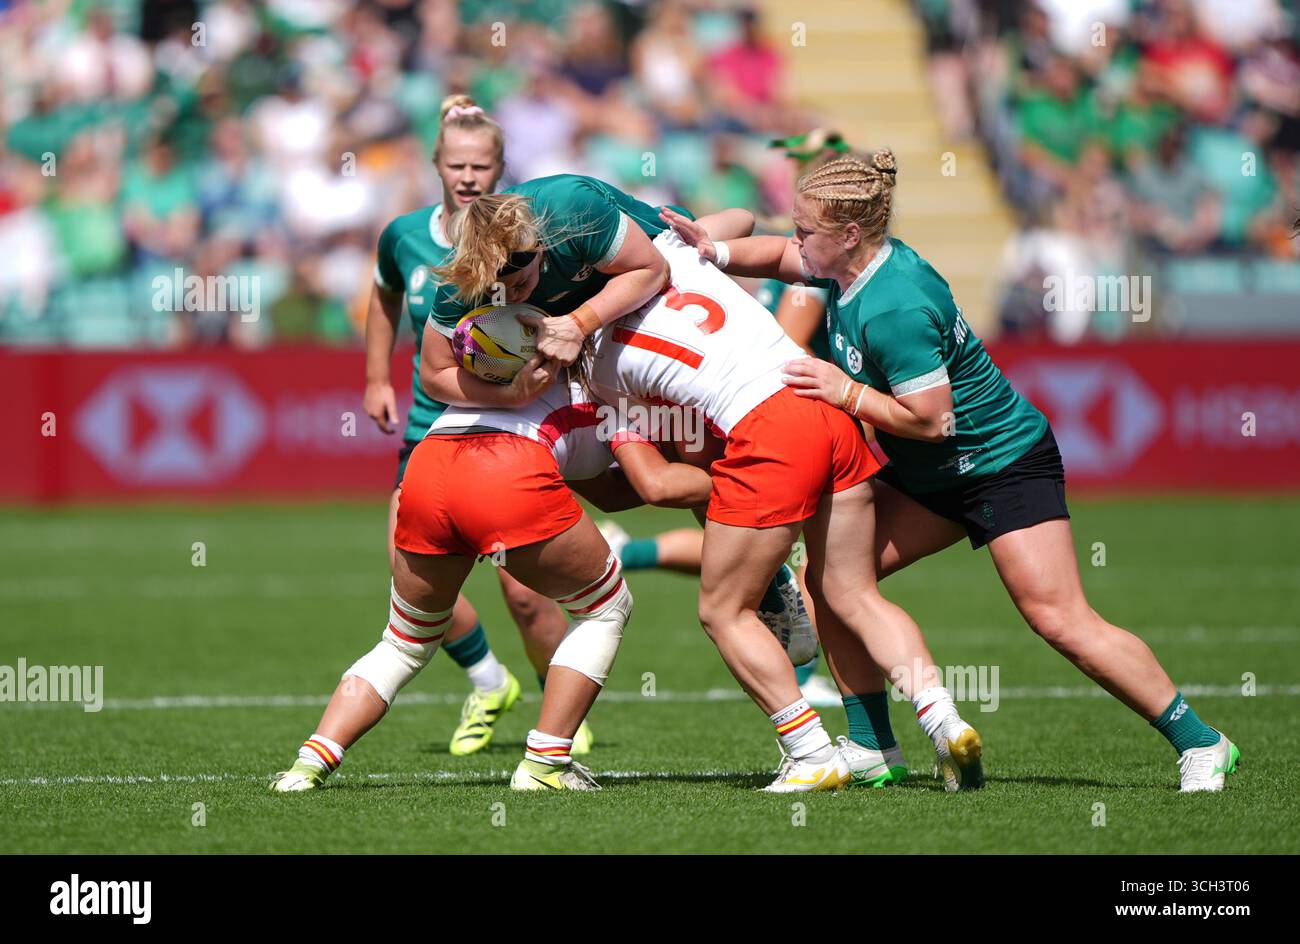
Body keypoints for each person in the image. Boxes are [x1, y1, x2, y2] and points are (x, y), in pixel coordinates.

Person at [672, 151, 1240, 792]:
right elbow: (778, 256)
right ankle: (871, 746)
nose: (795, 240)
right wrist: (712, 253)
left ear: (850, 235)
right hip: (928, 472)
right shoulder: (850, 264)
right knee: (829, 582)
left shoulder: (894, 309)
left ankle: (1201, 741)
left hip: (1000, 464)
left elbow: (932, 420)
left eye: (806, 230)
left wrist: (841, 390)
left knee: (1058, 619)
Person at [431, 182, 985, 792]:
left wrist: (563, 450)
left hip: (771, 435)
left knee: (723, 611)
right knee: (853, 595)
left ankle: (809, 753)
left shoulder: (594, 368)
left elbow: (650, 483)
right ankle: (941, 722)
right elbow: (740, 219)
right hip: (826, 405)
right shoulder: (680, 250)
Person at [271, 377, 716, 792]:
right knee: (604, 608)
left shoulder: (550, 371)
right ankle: (546, 763)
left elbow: (610, 493)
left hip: (427, 470)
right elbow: (658, 487)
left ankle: (308, 764)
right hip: (505, 472)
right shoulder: (618, 392)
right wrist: (739, 482)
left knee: (405, 642)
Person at [363, 94, 584, 757]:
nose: (467, 177)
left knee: (527, 597)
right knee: (411, 582)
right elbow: (382, 295)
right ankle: (489, 681)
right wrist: (377, 376)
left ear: (500, 167)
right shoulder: (404, 237)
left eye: (480, 166)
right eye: (456, 164)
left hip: (511, 433)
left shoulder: (526, 244)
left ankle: (561, 716)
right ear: (435, 163)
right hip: (432, 431)